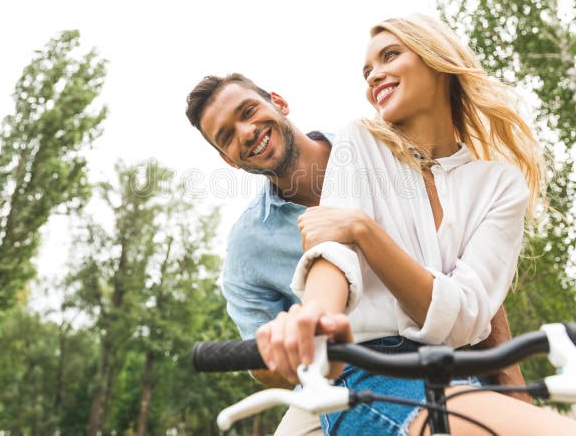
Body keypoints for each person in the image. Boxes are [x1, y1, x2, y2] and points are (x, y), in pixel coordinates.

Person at [253, 14, 576, 435]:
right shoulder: (359, 140)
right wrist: (313, 316)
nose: (374, 76)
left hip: (461, 373)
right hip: (370, 376)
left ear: (436, 59)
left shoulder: (500, 184)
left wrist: (364, 229)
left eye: (389, 55)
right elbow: (333, 255)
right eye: (367, 71)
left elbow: (465, 318)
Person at [185, 72, 526, 435]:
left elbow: (464, 266)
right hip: (343, 369)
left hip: (438, 342)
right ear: (229, 160)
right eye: (227, 136)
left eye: (248, 111)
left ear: (279, 102)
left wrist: (511, 382)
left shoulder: (378, 150)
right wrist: (286, 350)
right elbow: (260, 361)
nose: (246, 132)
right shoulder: (248, 246)